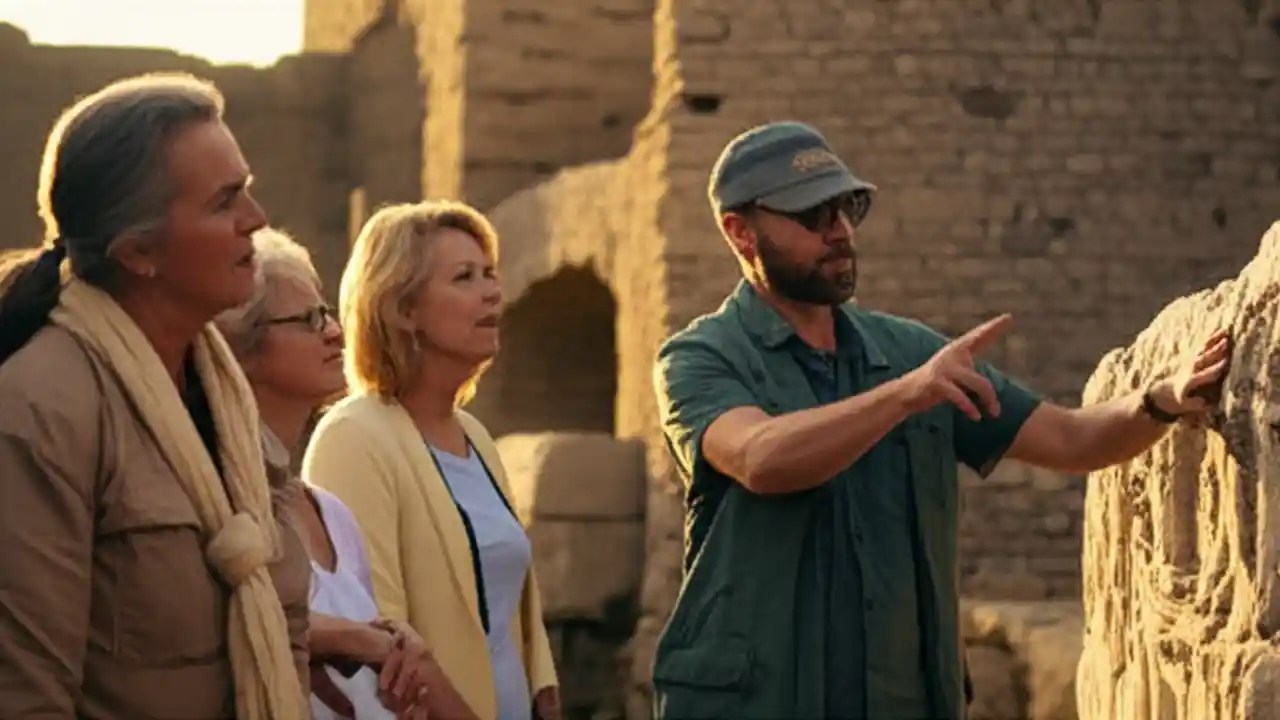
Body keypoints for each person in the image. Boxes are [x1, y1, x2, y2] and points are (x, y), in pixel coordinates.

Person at [650, 121, 1231, 720]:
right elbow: (760, 458)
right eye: (812, 216)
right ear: (740, 232)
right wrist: (904, 396)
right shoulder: (701, 359)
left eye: (848, 209)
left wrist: (1160, 399)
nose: (841, 233)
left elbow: (1072, 438)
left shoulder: (909, 354)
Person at [0, 74, 311, 719]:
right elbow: (26, 693)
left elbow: (281, 626)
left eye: (247, 190)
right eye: (226, 202)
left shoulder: (223, 397)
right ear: (139, 251)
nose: (256, 220)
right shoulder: (41, 412)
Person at [303, 201, 561, 720]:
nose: (492, 291)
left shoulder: (474, 434)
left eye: (490, 273)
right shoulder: (353, 438)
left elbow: (514, 605)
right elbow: (381, 641)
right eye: (464, 277)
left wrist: (545, 689)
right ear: (403, 309)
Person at [216, 227, 480, 720]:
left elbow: (390, 672)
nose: (335, 332)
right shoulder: (220, 504)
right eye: (308, 320)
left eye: (328, 315)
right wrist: (350, 638)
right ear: (240, 349)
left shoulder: (332, 515)